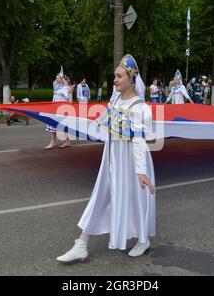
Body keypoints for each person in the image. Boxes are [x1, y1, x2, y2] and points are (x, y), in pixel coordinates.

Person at [56, 54, 156, 263]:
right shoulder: (116, 98)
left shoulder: (140, 108)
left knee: (136, 198)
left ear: (131, 78)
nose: (115, 80)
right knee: (101, 195)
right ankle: (82, 244)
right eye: (114, 77)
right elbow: (108, 116)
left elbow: (139, 141)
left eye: (119, 76)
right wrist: (91, 125)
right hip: (111, 156)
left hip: (130, 160)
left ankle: (143, 239)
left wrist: (140, 170)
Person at [46, 74, 71, 149]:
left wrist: (67, 92)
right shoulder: (56, 86)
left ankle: (67, 141)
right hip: (55, 108)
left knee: (62, 125)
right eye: (56, 78)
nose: (56, 79)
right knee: (53, 124)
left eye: (58, 78)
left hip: (60, 109)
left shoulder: (64, 88)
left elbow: (67, 98)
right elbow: (54, 82)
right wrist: (61, 74)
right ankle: (53, 142)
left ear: (61, 79)